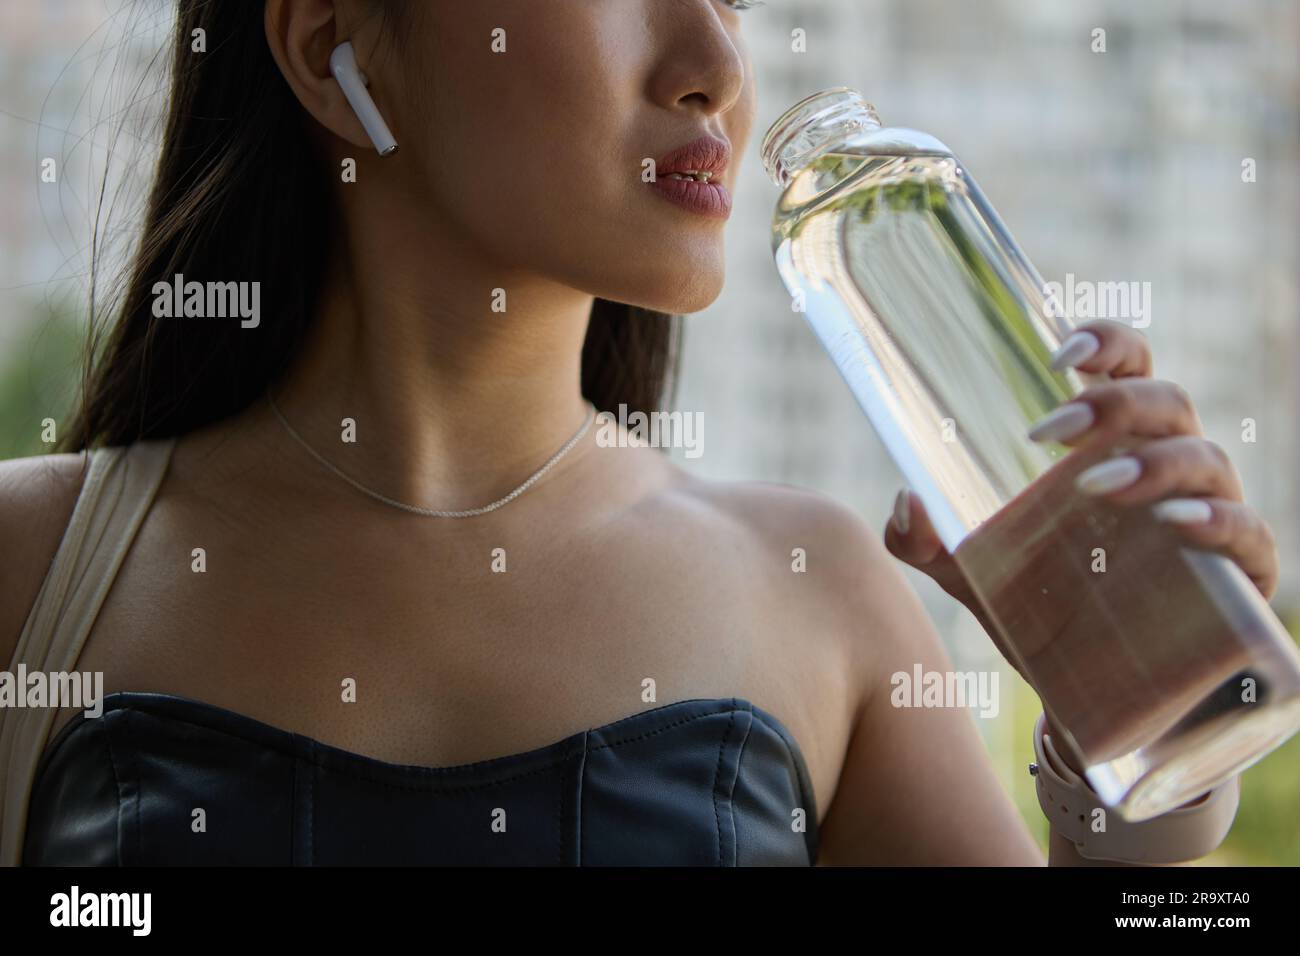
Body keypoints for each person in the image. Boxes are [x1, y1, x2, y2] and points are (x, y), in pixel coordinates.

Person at [0, 0, 1276, 865]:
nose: (713, 67)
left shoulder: (822, 592)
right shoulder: (32, 567)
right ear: (338, 45)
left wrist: (1138, 720)